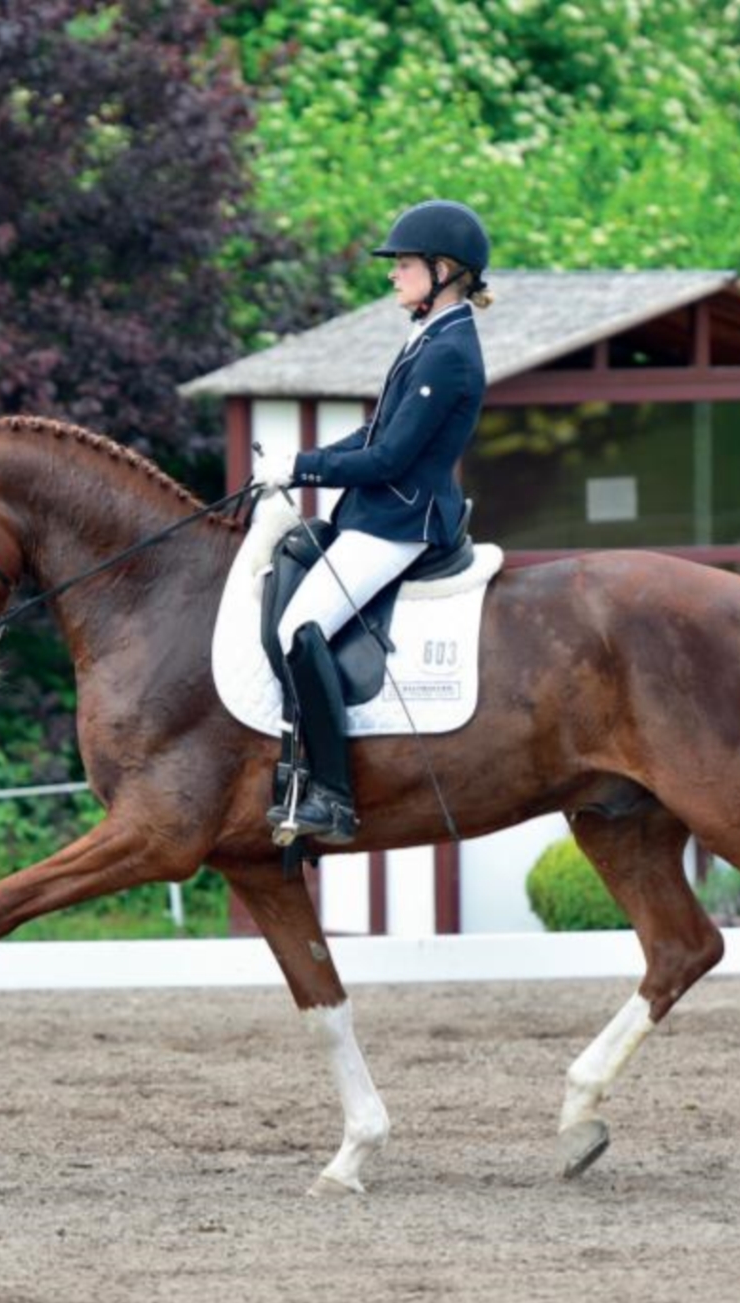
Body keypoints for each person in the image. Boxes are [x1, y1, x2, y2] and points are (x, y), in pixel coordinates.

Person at [255, 199, 493, 846]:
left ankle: (331, 794)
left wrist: (302, 468)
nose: (394, 274)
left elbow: (390, 457)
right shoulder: (428, 338)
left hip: (401, 521)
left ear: (444, 270)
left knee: (301, 628)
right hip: (378, 511)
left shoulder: (449, 354)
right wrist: (299, 464)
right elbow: (374, 431)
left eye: (405, 265)